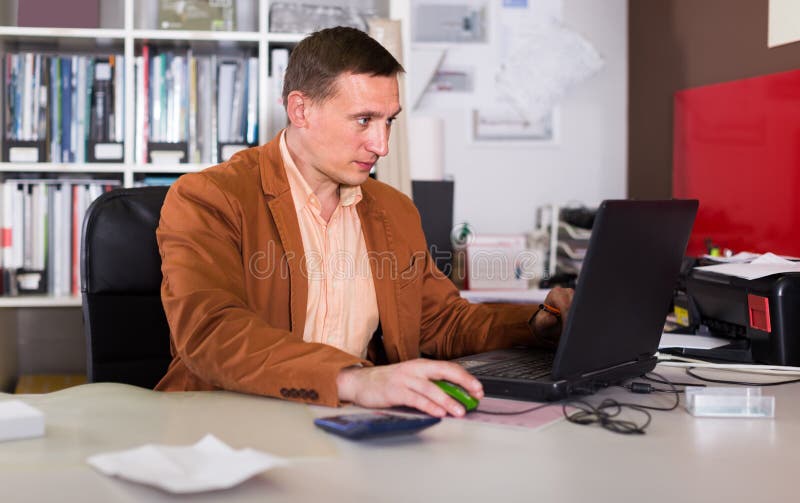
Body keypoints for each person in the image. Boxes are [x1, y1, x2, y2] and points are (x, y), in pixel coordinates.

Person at [155, 26, 573, 418]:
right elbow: (213, 332)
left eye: (388, 120)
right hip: (225, 427)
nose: (382, 145)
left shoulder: (394, 210)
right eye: (363, 120)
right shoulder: (209, 197)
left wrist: (537, 323)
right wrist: (354, 380)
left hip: (345, 427)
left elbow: (440, 321)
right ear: (300, 109)